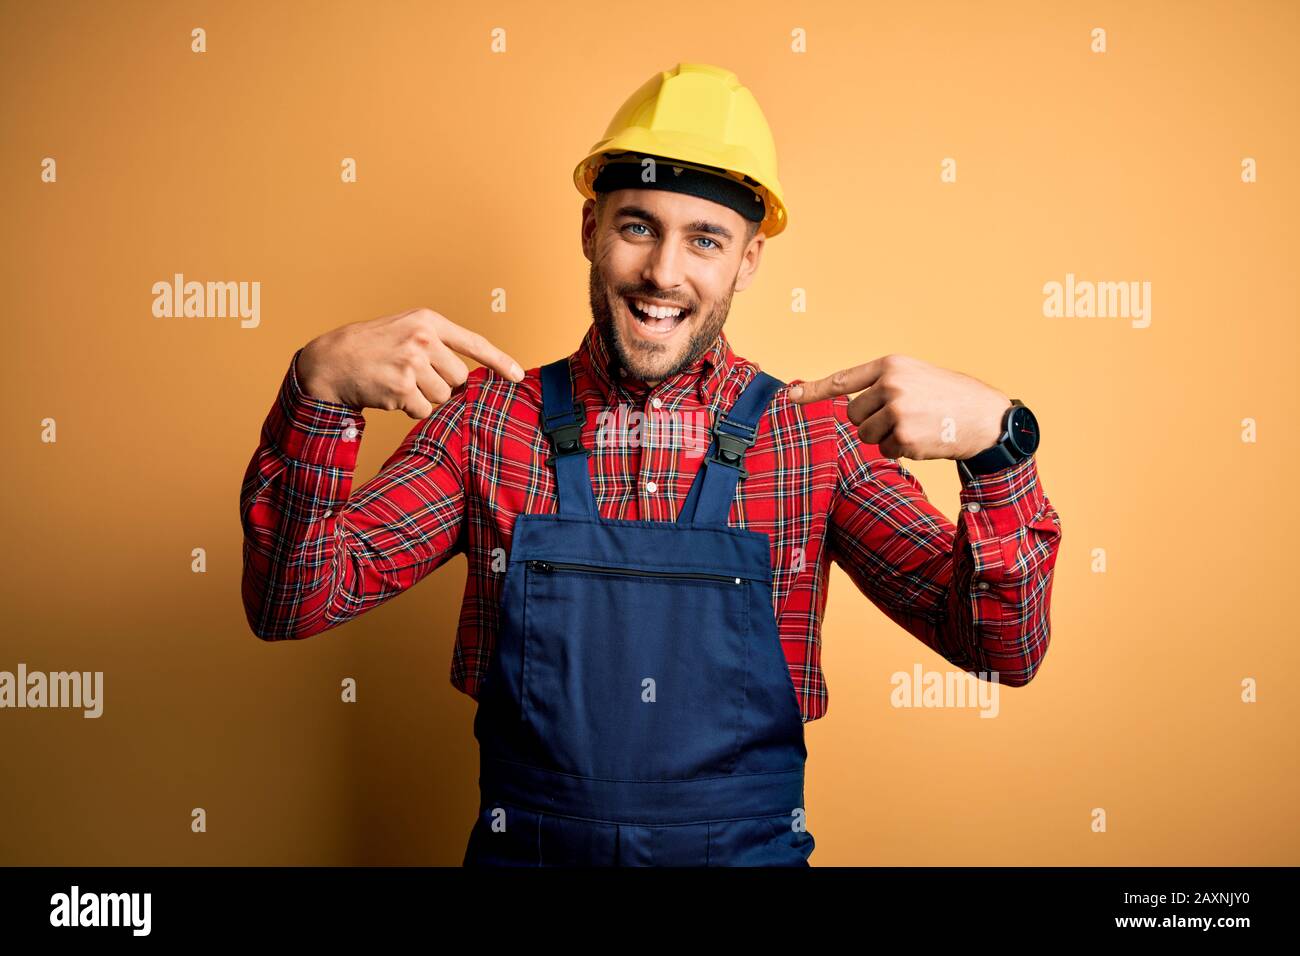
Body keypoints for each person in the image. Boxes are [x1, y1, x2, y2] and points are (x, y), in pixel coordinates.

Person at [240, 62, 1062, 866]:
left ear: (747, 261)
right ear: (590, 229)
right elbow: (293, 602)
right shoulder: (489, 420)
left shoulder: (814, 440)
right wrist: (317, 392)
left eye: (705, 238)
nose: (664, 272)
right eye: (638, 225)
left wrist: (1000, 450)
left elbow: (1002, 650)